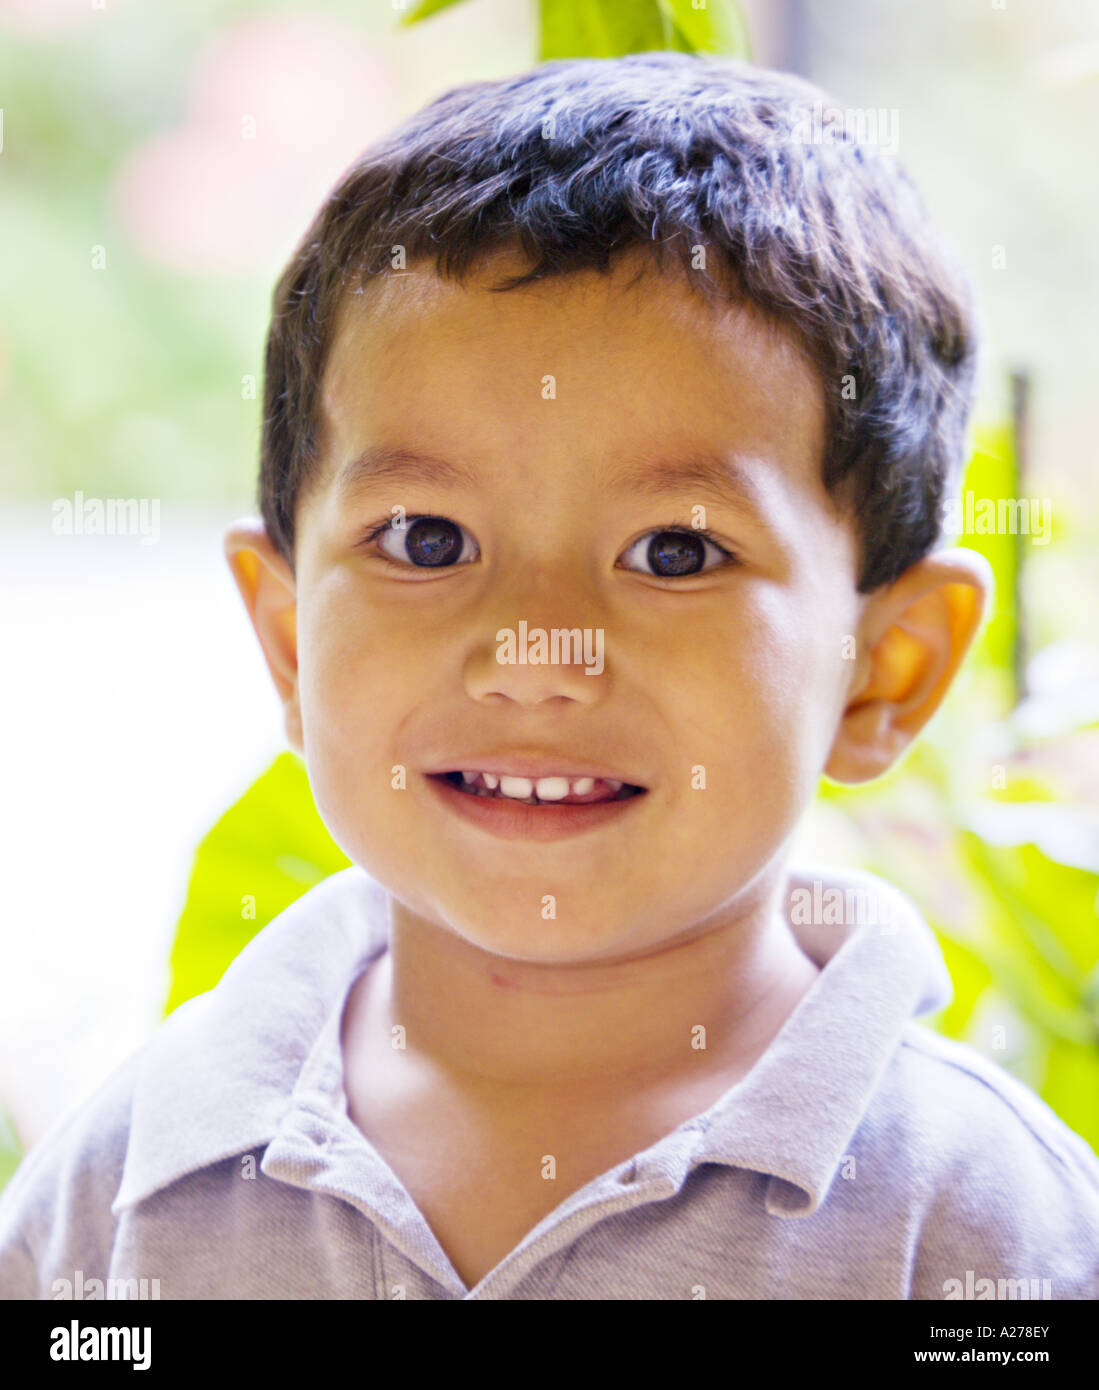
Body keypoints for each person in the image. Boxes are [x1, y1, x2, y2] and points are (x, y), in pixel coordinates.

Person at [3, 51, 1097, 1300]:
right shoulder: (130, 1186)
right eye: (428, 541)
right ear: (292, 640)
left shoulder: (987, 1235)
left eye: (674, 551)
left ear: (882, 670)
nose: (534, 655)